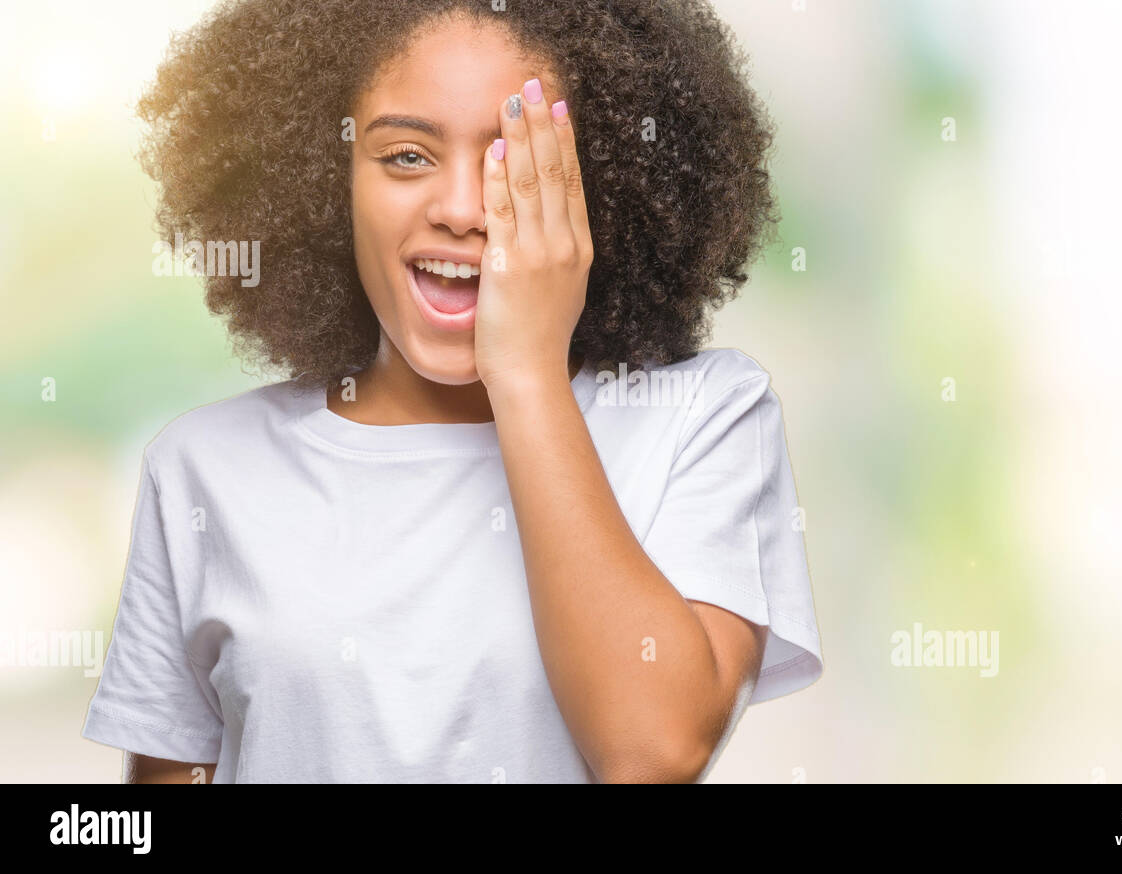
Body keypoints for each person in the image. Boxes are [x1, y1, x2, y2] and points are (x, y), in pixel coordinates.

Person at [82, 0, 823, 783]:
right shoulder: (204, 470)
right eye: (406, 156)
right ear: (326, 179)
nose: (463, 210)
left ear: (597, 187)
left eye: (517, 164)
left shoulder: (700, 420)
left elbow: (653, 753)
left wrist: (528, 370)